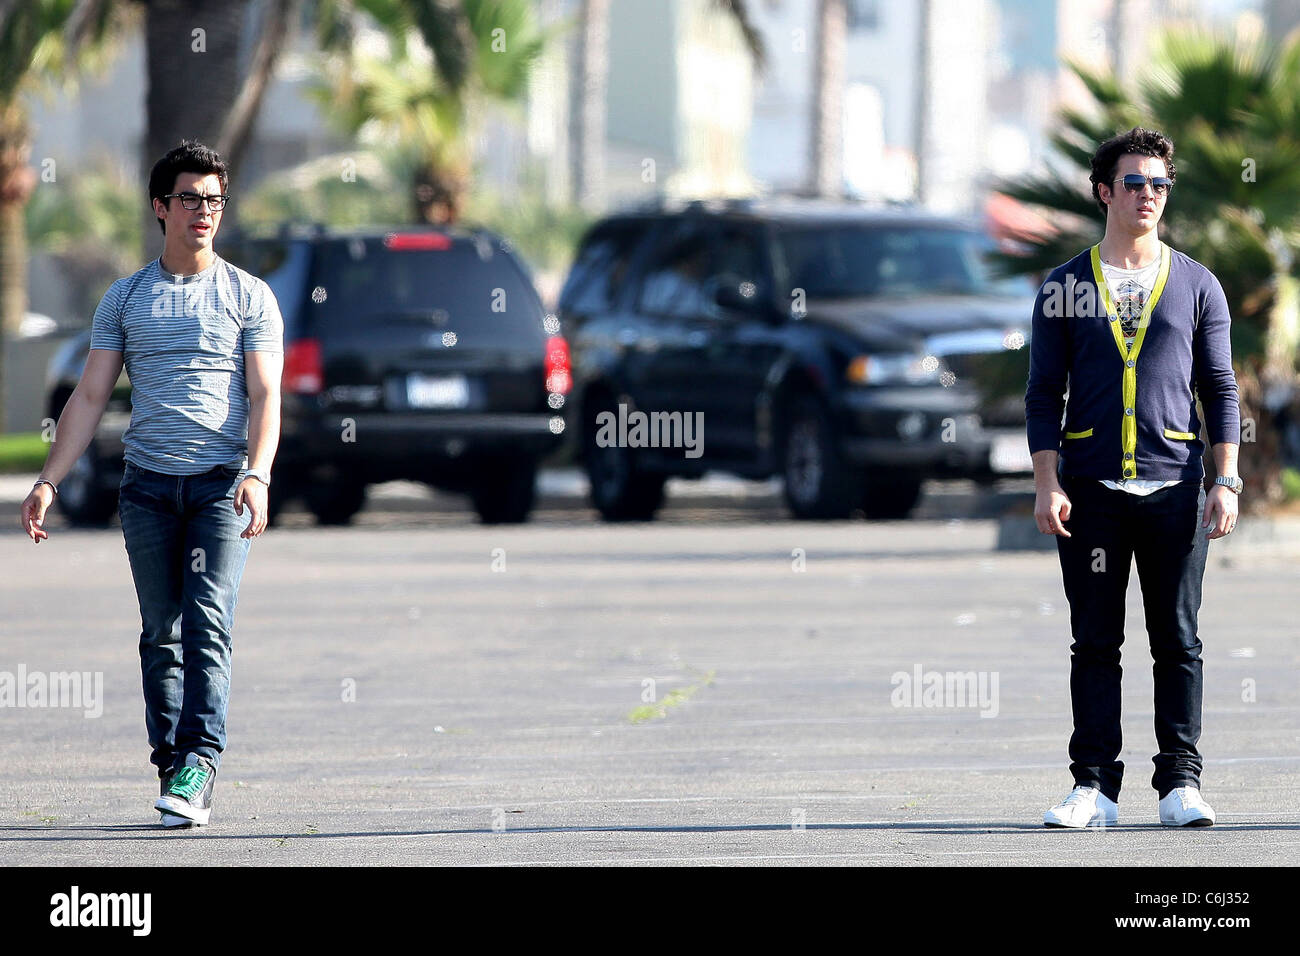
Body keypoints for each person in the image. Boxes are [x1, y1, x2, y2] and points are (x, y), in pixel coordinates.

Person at [19, 141, 284, 828]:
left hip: (221, 488)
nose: (204, 212)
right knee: (159, 632)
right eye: (190, 199)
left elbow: (264, 396)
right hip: (146, 491)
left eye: (214, 200)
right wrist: (50, 480)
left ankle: (200, 761)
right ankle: (172, 770)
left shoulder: (248, 296)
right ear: (160, 207)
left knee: (208, 623)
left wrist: (257, 474)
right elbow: (88, 399)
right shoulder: (126, 298)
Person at [1025, 127, 1241, 828]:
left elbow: (1220, 387)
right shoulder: (1064, 288)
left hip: (1176, 490)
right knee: (1095, 640)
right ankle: (1093, 787)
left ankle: (1181, 783)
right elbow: (1042, 393)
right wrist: (1046, 482)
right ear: (1104, 191)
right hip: (1090, 492)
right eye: (1135, 183)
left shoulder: (1197, 283)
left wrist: (1226, 479)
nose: (1148, 195)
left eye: (1159, 184)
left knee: (1178, 639)